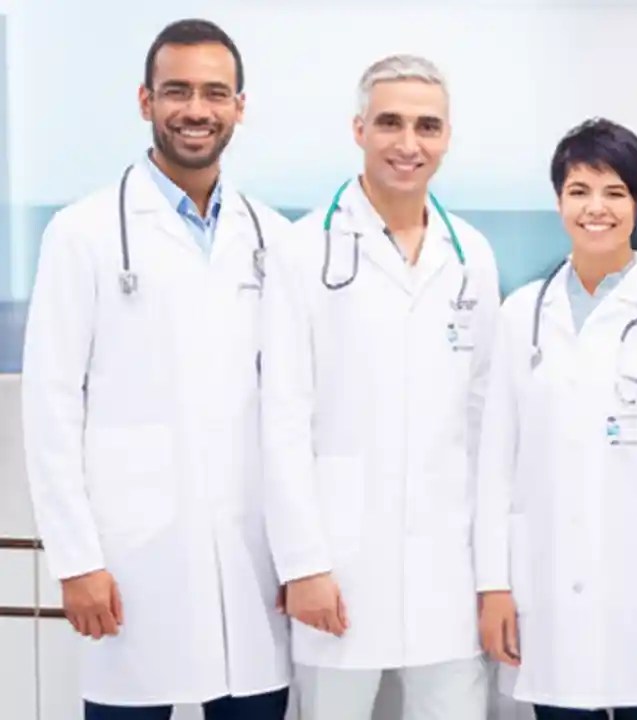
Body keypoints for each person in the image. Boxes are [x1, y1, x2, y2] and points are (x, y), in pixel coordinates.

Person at [21, 18, 291, 719]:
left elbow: (293, 408)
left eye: (215, 93)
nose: (196, 110)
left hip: (252, 565)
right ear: (146, 100)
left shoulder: (273, 238)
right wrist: (77, 560)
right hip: (133, 564)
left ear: (239, 106)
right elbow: (51, 408)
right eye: (177, 91)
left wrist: (299, 555)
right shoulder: (82, 233)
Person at [259, 54, 500, 720]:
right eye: (390, 122)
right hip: (339, 563)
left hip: (447, 568)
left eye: (428, 126)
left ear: (447, 138)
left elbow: (484, 423)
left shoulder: (471, 256)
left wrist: (493, 572)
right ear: (358, 129)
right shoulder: (303, 250)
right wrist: (303, 563)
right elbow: (282, 418)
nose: (408, 143)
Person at [473, 117, 637, 720]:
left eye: (615, 192)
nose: (596, 208)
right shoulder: (520, 316)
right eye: (579, 191)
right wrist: (493, 585)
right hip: (547, 595)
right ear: (559, 200)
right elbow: (495, 465)